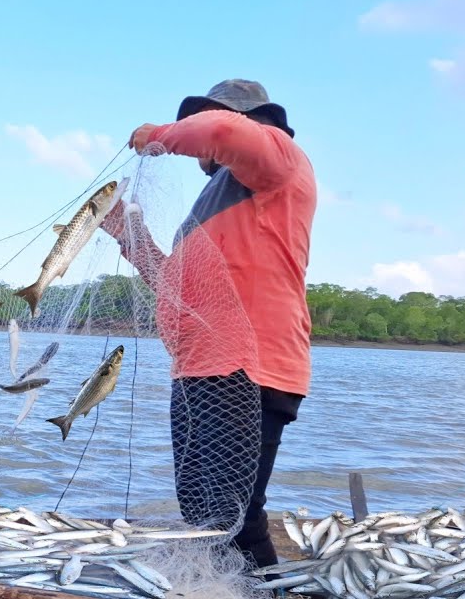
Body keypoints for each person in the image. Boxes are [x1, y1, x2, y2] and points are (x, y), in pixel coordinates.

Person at [99, 79, 317, 570]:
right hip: (201, 366)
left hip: (247, 365)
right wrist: (129, 235)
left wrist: (158, 134)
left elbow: (221, 129)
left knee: (232, 512)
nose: (197, 137)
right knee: (201, 507)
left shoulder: (277, 158)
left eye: (200, 120)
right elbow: (175, 286)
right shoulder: (216, 199)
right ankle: (227, 597)